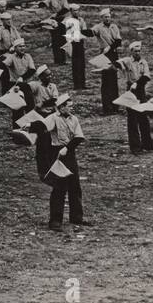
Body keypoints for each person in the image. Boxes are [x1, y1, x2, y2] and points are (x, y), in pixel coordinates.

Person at [37, 94, 89, 231]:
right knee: (59, 187)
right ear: (61, 107)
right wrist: (29, 126)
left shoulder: (74, 119)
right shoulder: (53, 118)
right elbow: (42, 126)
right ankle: (55, 220)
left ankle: (77, 217)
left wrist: (67, 148)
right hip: (57, 153)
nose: (70, 108)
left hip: (69, 152)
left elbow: (78, 138)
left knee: (74, 185)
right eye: (68, 106)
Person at [117, 42, 153, 153]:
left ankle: (147, 145)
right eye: (135, 51)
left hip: (141, 90)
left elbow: (147, 76)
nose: (138, 53)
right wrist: (117, 64)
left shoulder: (143, 62)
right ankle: (135, 146)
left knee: (143, 117)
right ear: (131, 51)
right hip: (131, 90)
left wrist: (138, 83)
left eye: (139, 51)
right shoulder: (127, 61)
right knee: (132, 119)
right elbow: (118, 63)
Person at [93, 9, 123, 114]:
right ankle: (106, 108)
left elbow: (118, 41)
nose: (107, 19)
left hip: (113, 53)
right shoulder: (98, 27)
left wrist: (110, 47)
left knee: (114, 80)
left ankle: (115, 107)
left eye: (109, 16)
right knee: (106, 81)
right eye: (105, 17)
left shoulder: (114, 27)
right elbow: (90, 32)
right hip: (104, 55)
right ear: (101, 18)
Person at [0, 12, 18, 89]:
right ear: (2, 21)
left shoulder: (13, 29)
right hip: (2, 53)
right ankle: (5, 93)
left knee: (14, 73)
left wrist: (14, 47)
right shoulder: (0, 30)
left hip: (12, 53)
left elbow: (19, 39)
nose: (9, 21)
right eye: (6, 20)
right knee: (5, 75)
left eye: (10, 19)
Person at [45, 0, 70, 65]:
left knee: (63, 40)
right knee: (55, 40)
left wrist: (56, 14)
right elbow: (44, 4)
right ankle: (57, 61)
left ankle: (63, 60)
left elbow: (66, 9)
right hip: (53, 22)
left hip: (62, 21)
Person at [64, 5, 86, 90]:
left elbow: (84, 30)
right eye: (74, 10)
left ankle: (82, 83)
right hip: (73, 43)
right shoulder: (68, 20)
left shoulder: (81, 20)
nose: (76, 12)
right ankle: (77, 84)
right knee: (75, 64)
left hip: (80, 42)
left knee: (82, 64)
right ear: (71, 11)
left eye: (77, 10)